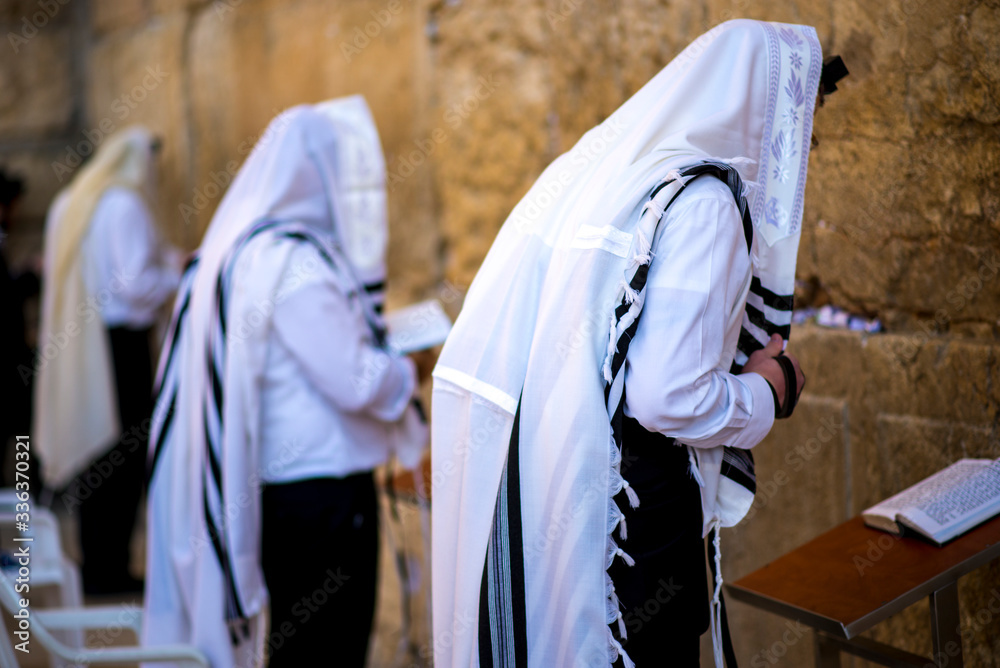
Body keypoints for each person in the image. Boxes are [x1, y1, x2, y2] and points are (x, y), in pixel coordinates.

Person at [431, 20, 845, 667]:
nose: (802, 148)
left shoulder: (619, 181)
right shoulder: (705, 201)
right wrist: (768, 388)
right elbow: (667, 397)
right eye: (796, 123)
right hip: (636, 521)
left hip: (571, 484)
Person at [142, 97, 427, 667]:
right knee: (328, 649)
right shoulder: (294, 264)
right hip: (322, 495)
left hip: (286, 494)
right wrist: (410, 367)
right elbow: (355, 381)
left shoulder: (243, 252)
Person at [33, 127, 180, 595]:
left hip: (80, 345)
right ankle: (110, 569)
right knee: (121, 457)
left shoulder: (70, 202)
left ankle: (98, 564)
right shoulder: (124, 204)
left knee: (94, 454)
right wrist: (176, 274)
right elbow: (135, 285)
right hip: (119, 347)